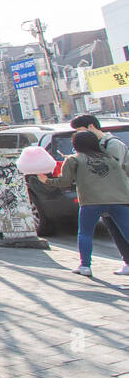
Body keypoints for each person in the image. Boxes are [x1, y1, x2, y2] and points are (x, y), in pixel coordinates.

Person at [38, 130, 129, 279]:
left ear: (75, 144)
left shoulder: (74, 159)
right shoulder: (110, 158)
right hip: (118, 200)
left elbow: (64, 181)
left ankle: (85, 266)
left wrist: (46, 180)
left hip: (91, 202)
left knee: (85, 233)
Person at [68, 115, 129, 275]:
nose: (78, 135)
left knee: (123, 230)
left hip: (118, 194)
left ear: (91, 126)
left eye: (80, 131)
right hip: (105, 195)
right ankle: (127, 262)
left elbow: (116, 171)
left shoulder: (112, 144)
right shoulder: (95, 146)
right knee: (115, 231)